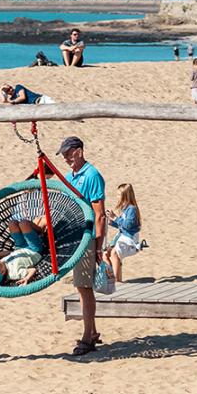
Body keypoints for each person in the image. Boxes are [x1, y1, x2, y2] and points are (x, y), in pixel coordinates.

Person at [56, 135, 107, 356]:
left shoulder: (92, 175)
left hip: (86, 236)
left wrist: (98, 245)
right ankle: (92, 331)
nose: (66, 158)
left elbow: (100, 214)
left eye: (68, 153)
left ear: (79, 151)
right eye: (64, 155)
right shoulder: (70, 177)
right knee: (80, 286)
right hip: (73, 237)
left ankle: (87, 338)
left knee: (85, 288)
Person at [104, 183, 142, 283]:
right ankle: (115, 278)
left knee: (115, 253)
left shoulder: (132, 209)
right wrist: (111, 222)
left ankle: (117, 281)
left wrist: (115, 218)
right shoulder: (125, 209)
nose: (117, 197)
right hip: (123, 235)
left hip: (130, 238)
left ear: (126, 196)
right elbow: (122, 225)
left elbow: (128, 226)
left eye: (119, 195)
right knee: (107, 254)